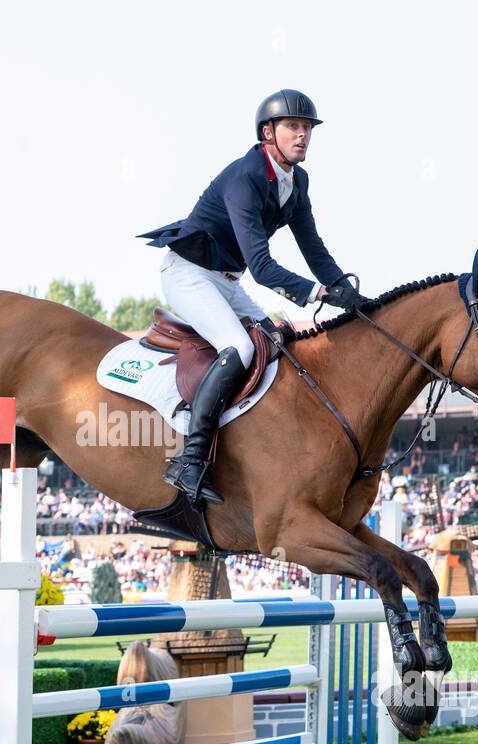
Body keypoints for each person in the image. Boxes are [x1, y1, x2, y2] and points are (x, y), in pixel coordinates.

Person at [138, 89, 362, 505]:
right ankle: (190, 461)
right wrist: (317, 293)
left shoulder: (297, 181)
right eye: (293, 126)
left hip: (225, 281)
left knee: (276, 341)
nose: (303, 135)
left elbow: (312, 246)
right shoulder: (247, 176)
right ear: (268, 133)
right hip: (189, 275)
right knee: (240, 347)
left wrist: (346, 292)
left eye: (308, 128)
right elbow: (262, 266)